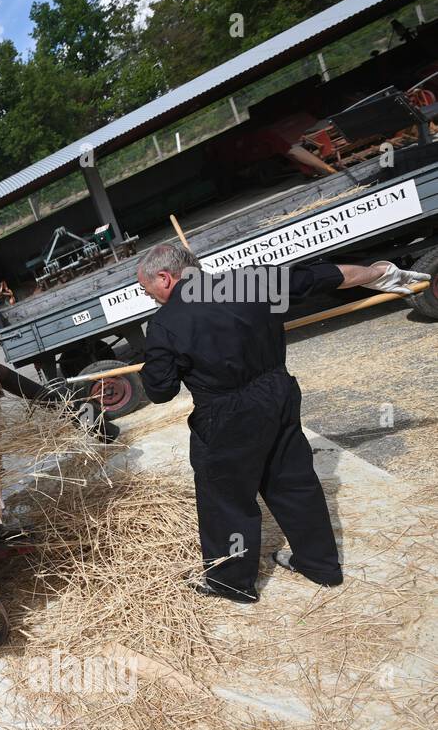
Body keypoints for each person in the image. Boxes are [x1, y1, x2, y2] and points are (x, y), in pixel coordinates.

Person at [136, 244, 428, 602]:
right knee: (293, 481)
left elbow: (160, 391)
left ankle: (231, 583)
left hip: (225, 414)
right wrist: (381, 271)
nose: (147, 295)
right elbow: (325, 276)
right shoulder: (252, 282)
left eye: (145, 287)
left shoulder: (165, 323)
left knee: (227, 500)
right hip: (278, 392)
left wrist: (155, 361)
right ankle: (320, 565)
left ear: (165, 277)